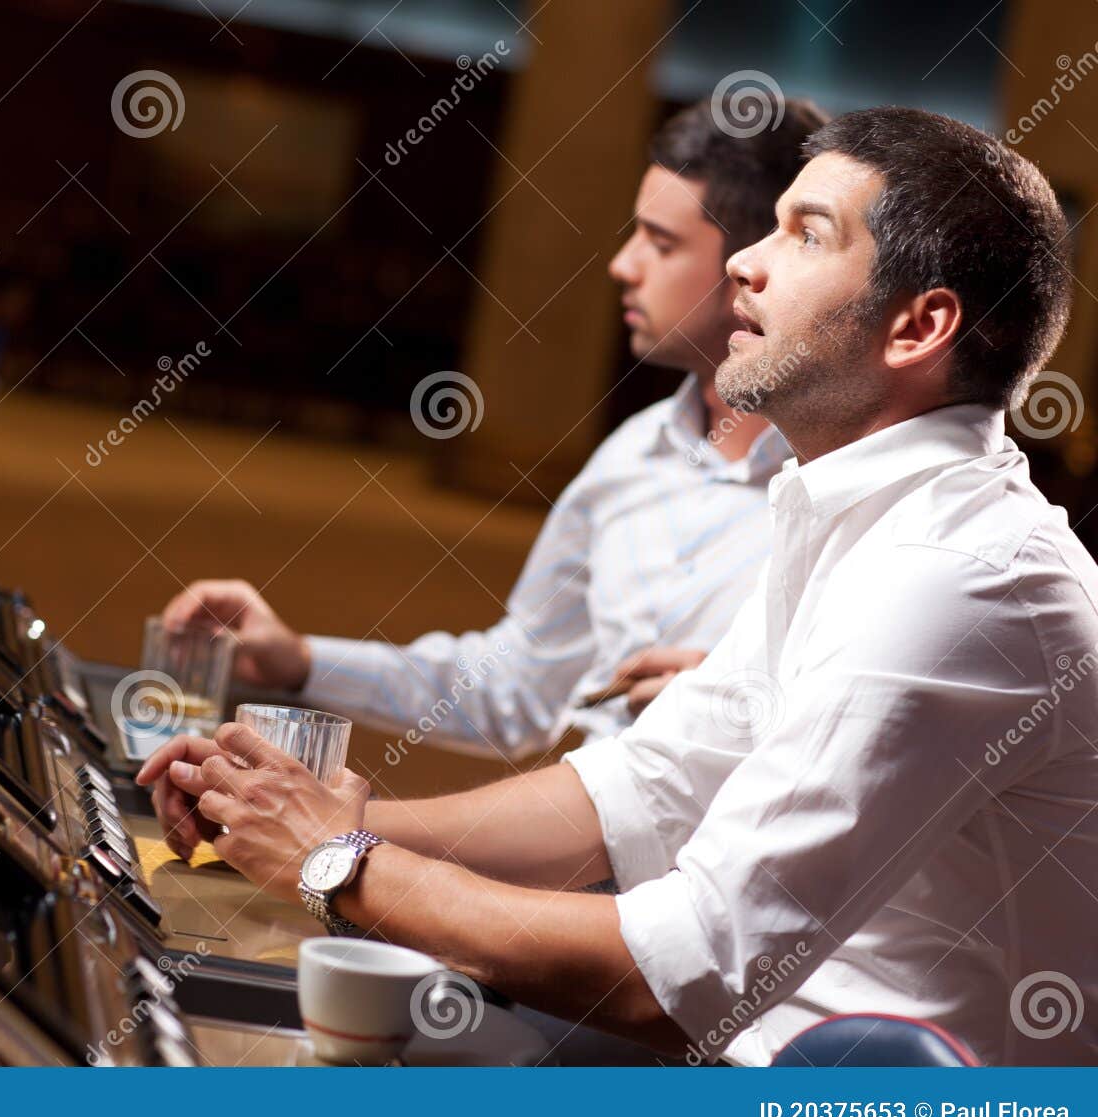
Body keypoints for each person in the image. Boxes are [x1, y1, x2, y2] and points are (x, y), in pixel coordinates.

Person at [140, 107, 1098, 1065]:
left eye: (807, 234)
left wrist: (338, 862)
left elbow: (679, 970)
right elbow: (641, 789)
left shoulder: (959, 577)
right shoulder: (847, 518)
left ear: (919, 326)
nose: (744, 264)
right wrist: (317, 817)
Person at [152, 99, 827, 805]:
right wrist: (299, 661)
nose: (621, 264)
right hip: (587, 862)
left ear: (757, 262)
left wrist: (744, 711)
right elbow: (517, 687)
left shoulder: (843, 482)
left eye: (660, 243)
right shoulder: (631, 459)